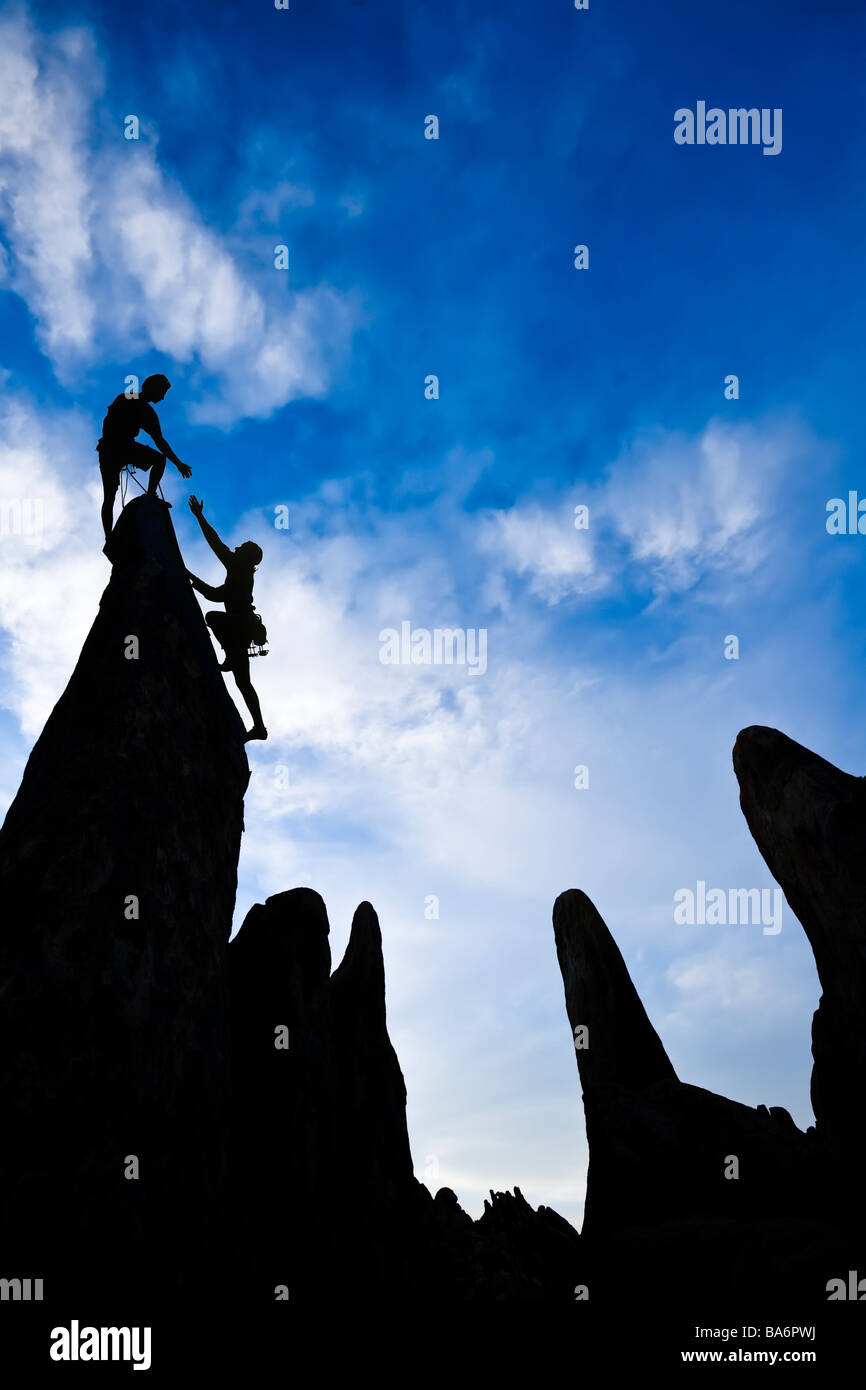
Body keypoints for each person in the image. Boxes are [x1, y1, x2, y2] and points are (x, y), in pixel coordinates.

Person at [185, 495, 268, 742]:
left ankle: (230, 657)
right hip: (242, 629)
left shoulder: (237, 568)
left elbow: (215, 544)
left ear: (246, 556)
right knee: (243, 682)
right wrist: (192, 579)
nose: (236, 548)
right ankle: (259, 727)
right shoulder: (241, 573)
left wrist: (200, 517)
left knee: (212, 617)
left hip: (239, 626)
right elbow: (216, 594)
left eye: (241, 547)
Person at [96, 374, 192, 542]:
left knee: (158, 460)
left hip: (117, 448)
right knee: (109, 496)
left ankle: (150, 495)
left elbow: (160, 441)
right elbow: (108, 422)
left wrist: (178, 463)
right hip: (113, 447)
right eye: (162, 392)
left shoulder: (146, 410)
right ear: (153, 388)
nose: (162, 398)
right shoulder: (130, 399)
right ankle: (109, 537)